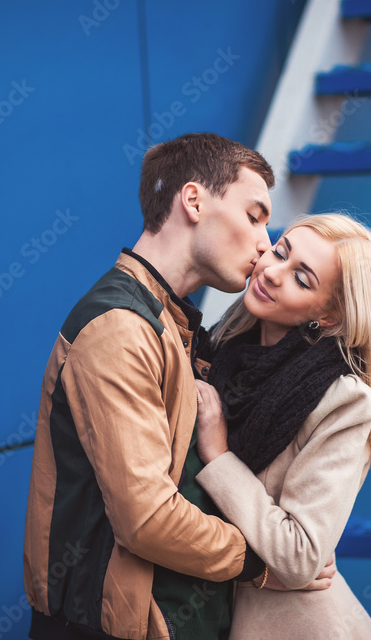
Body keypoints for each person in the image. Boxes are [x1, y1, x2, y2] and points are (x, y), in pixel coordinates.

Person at [23, 133, 278, 640]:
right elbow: (147, 519)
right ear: (193, 200)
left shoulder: (169, 324)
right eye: (254, 216)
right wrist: (262, 559)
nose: (265, 244)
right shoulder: (120, 326)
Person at [192, 213, 371, 638]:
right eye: (280, 252)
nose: (272, 273)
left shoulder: (342, 401)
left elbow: (299, 556)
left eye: (302, 279)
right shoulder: (217, 354)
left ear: (328, 316)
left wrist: (218, 455)